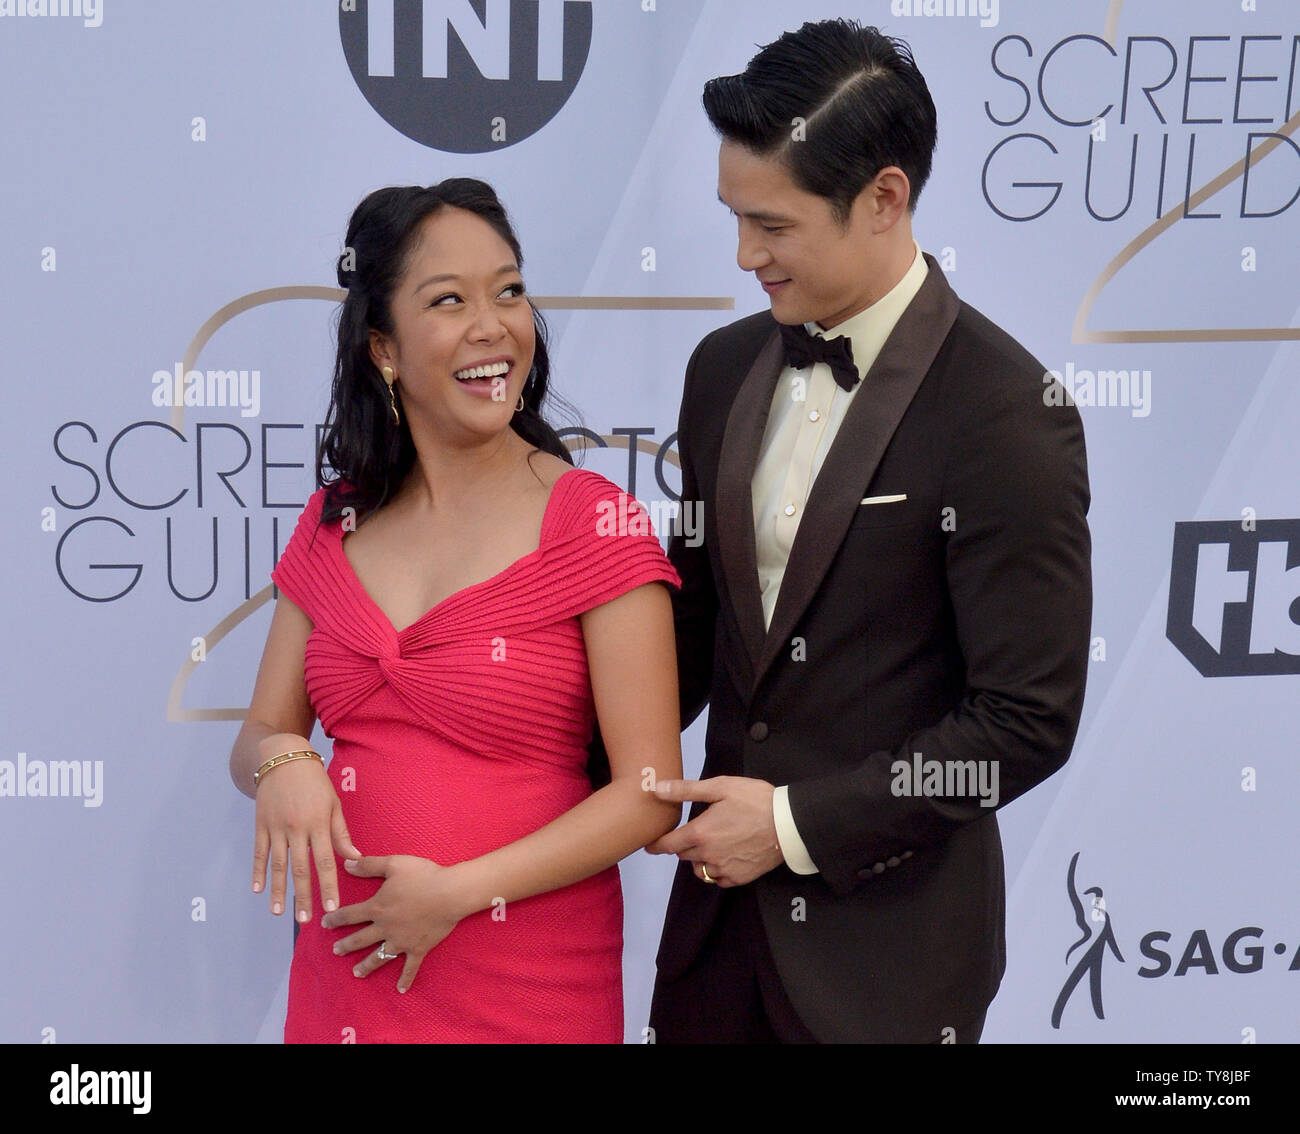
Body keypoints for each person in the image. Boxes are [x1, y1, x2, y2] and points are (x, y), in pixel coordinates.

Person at [638, 20, 1092, 1043]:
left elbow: (1023, 722)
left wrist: (793, 826)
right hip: (712, 952)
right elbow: (695, 623)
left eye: (774, 226)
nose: (745, 255)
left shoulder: (1006, 411)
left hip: (887, 973)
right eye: (732, 219)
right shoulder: (719, 369)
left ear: (884, 199)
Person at [229, 178, 683, 1044]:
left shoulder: (593, 518)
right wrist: (284, 761)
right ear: (385, 350)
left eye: (508, 291)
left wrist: (459, 892)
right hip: (347, 981)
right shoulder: (337, 523)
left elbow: (650, 793)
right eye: (450, 300)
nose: (492, 325)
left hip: (526, 983)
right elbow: (258, 734)